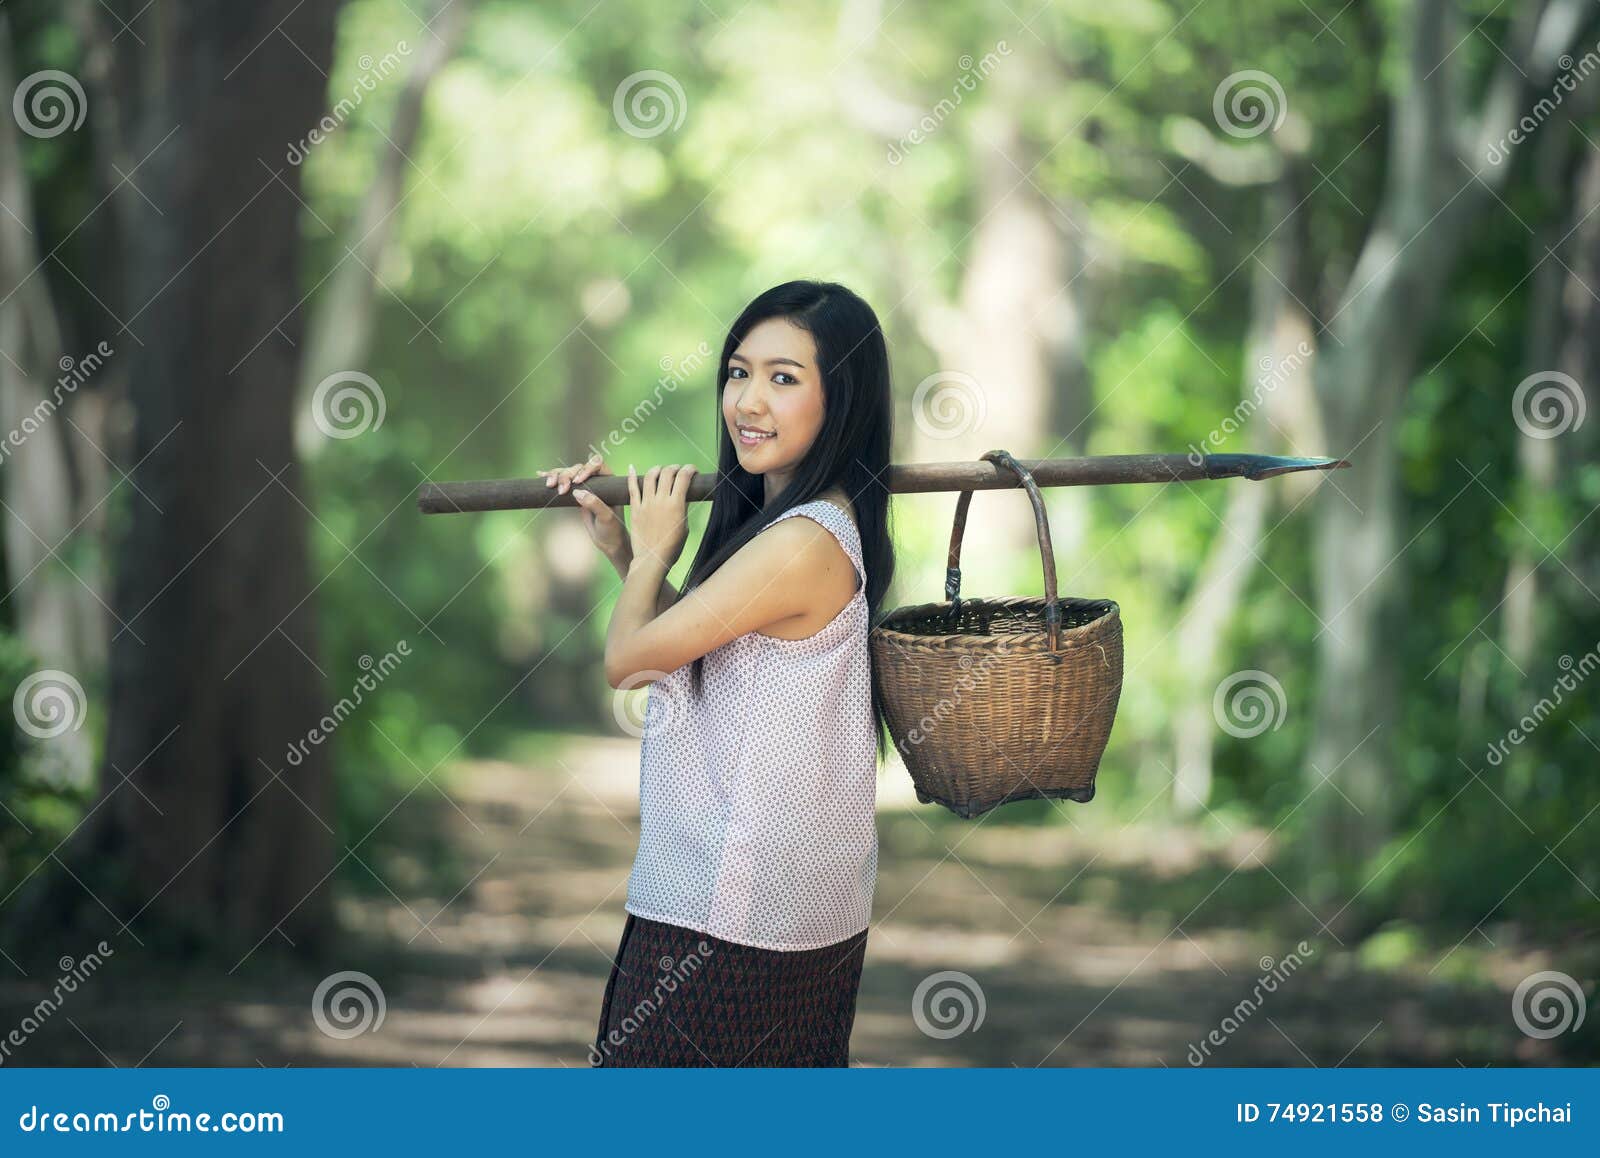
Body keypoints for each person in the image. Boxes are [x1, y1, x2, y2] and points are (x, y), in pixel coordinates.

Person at [540, 280, 896, 1067]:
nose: (748, 401)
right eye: (738, 372)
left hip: (726, 917)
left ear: (842, 401)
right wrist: (626, 554)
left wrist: (661, 547)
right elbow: (699, 640)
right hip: (781, 912)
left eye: (784, 377)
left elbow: (630, 663)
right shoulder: (800, 529)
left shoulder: (804, 540)